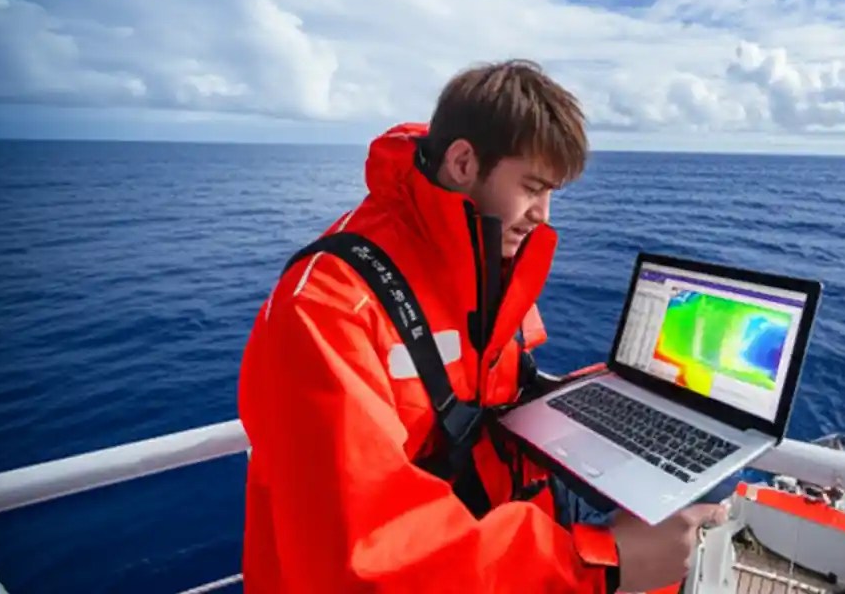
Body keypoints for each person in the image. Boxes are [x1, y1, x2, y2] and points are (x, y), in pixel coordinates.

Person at [237, 59, 728, 593]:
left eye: (552, 194)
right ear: (464, 162)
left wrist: (598, 394)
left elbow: (481, 395)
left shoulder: (481, 262)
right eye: (533, 187)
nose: (543, 214)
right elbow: (364, 558)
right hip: (465, 566)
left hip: (501, 534)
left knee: (707, 488)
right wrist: (599, 569)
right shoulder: (328, 309)